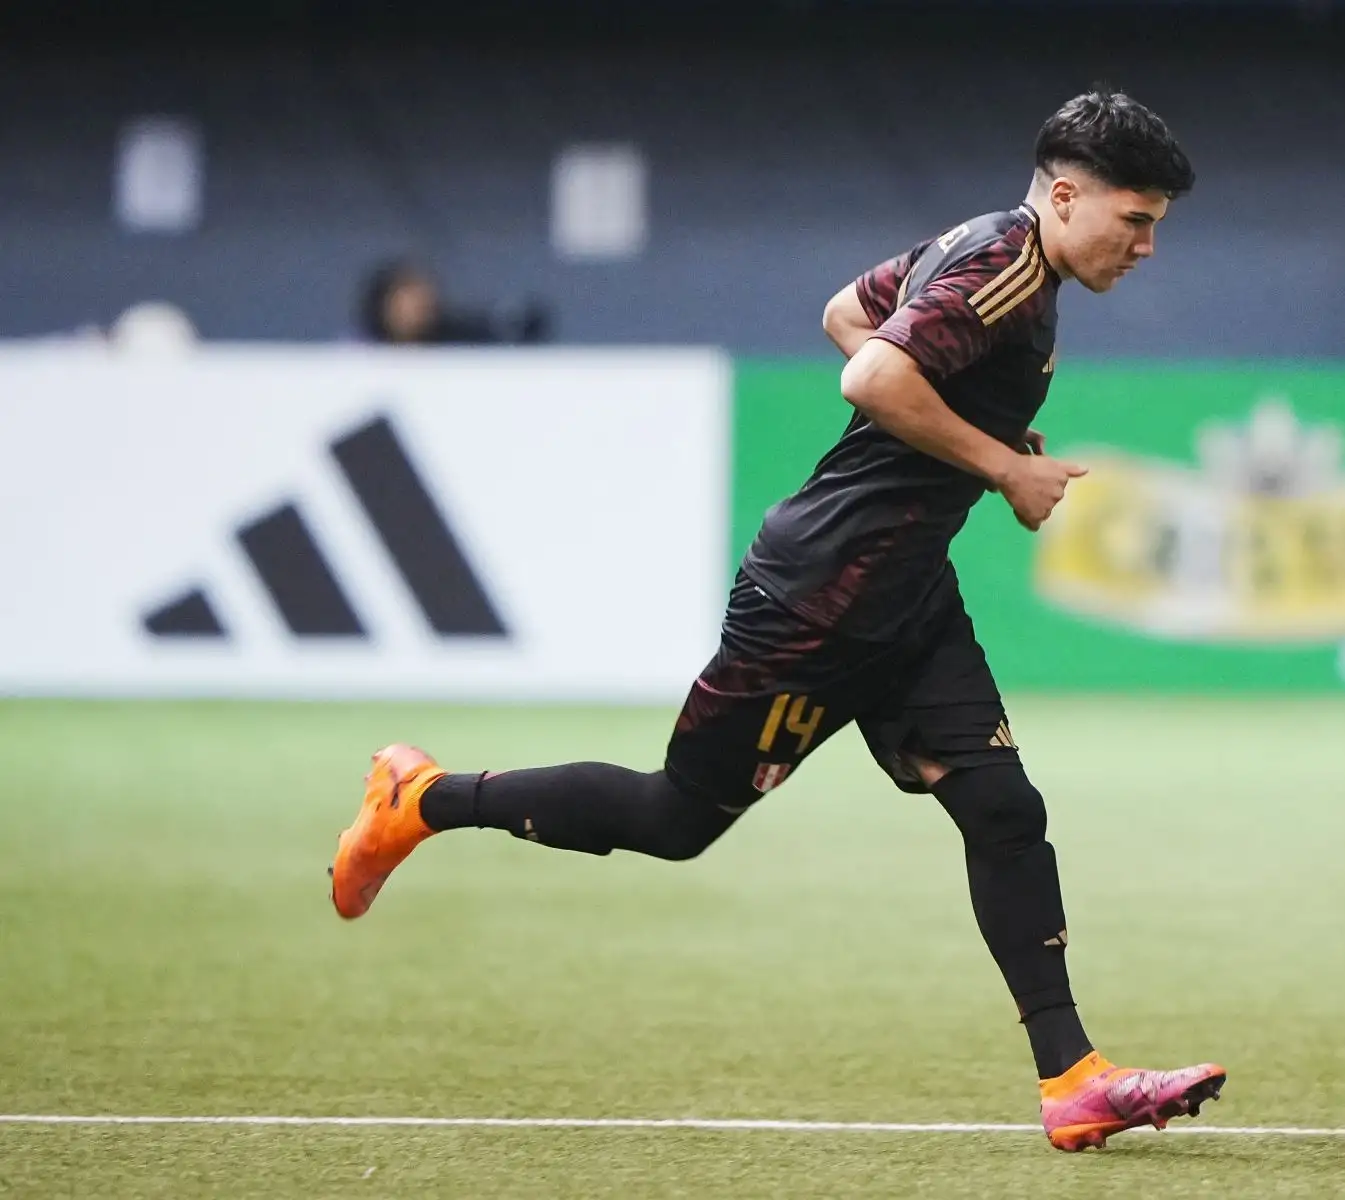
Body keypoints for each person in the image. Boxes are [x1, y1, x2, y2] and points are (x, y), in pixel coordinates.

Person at [328, 88, 1225, 1153]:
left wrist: (978, 427)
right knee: (674, 822)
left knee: (1004, 814)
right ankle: (422, 799)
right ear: (1068, 196)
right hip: (818, 604)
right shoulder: (1004, 267)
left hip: (905, 600)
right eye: (1138, 219)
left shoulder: (986, 249)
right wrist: (1000, 466)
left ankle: (1073, 1080)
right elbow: (872, 366)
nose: (1149, 245)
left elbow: (848, 308)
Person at [356, 258, 551, 345]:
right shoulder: (359, 354)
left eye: (423, 300)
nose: (418, 307)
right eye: (406, 300)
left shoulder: (455, 345)